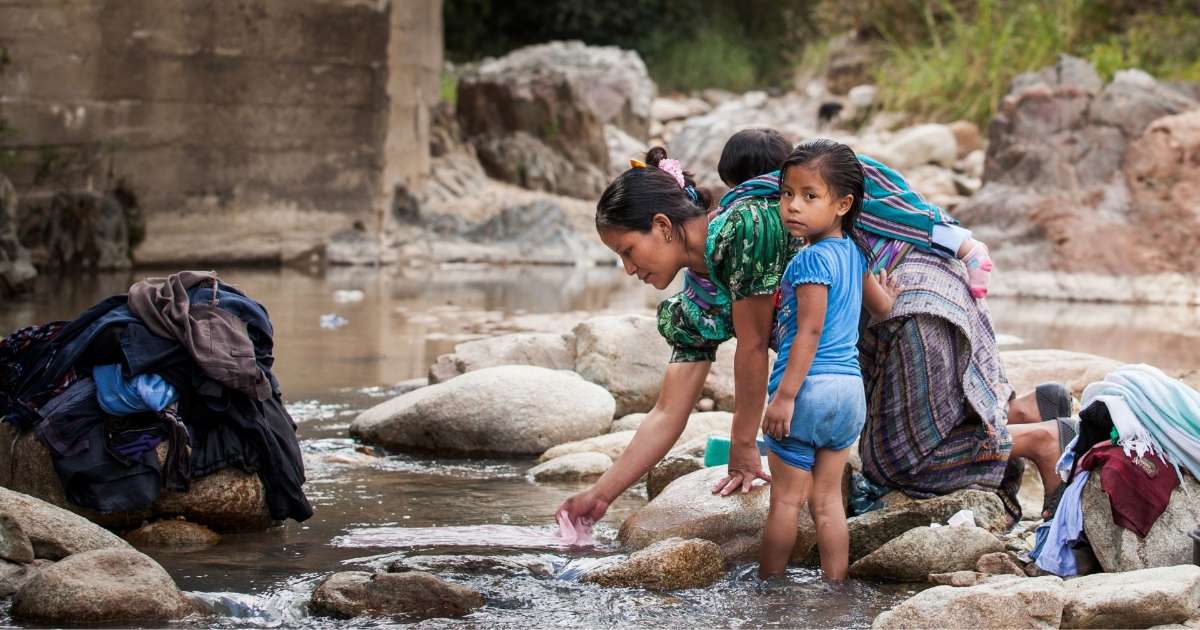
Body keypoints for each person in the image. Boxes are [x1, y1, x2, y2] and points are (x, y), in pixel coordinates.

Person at [756, 139, 893, 581]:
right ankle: (835, 589)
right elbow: (883, 309)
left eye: (809, 196)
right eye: (787, 194)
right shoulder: (854, 254)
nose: (793, 206)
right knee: (829, 502)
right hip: (849, 395)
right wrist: (890, 289)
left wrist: (784, 398)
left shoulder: (810, 260)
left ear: (842, 203)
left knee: (786, 502)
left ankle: (769, 588)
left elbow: (809, 333)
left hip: (808, 390)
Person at [718, 128, 994, 297]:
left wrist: (731, 200)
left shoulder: (786, 180)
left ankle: (970, 251)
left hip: (868, 188)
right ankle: (967, 249)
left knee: (909, 218)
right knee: (912, 216)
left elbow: (754, 187)